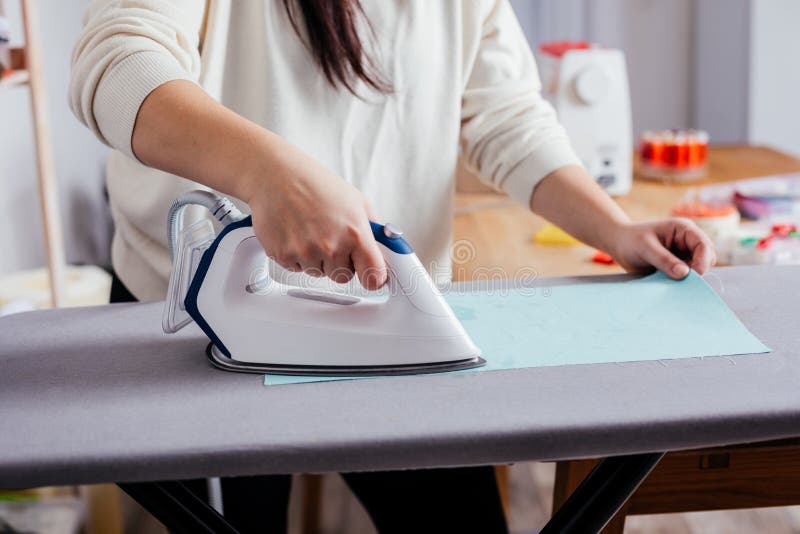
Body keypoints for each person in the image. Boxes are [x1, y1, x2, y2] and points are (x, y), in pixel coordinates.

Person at [70, 1, 714, 532]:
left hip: (380, 328)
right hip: (206, 326)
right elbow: (119, 61)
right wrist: (268, 173)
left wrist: (615, 230)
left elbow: (506, 118)